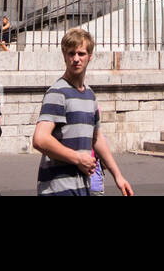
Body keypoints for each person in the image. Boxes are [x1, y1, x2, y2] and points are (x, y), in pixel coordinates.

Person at [33, 28, 133, 196]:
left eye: (81, 53)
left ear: (90, 56)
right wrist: (78, 158)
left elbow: (97, 138)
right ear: (64, 56)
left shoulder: (90, 95)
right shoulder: (57, 93)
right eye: (71, 54)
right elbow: (40, 139)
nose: (76, 59)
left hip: (82, 187)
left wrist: (118, 175)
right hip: (57, 188)